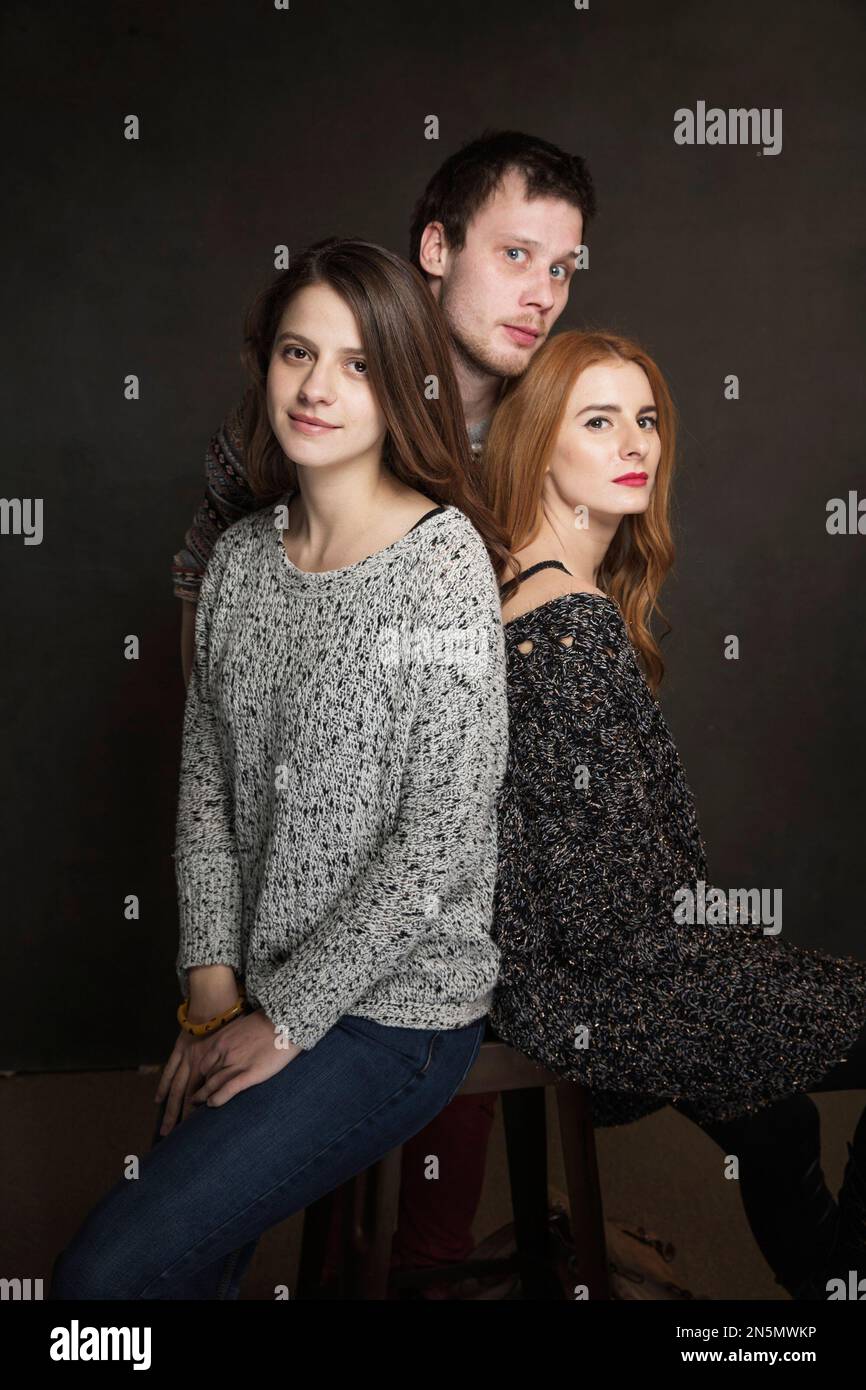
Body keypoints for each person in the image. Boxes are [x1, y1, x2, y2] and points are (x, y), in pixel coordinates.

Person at [170, 128, 596, 1295]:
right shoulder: (316, 386)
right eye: (515, 255)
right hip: (306, 840)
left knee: (459, 923)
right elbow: (219, 627)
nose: (540, 293)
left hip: (467, 867)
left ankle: (428, 1270)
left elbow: (580, 660)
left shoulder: (541, 430)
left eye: (562, 269)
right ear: (434, 251)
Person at [47, 238, 511, 1300]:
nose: (318, 388)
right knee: (173, 1266)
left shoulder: (440, 570)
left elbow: (440, 835)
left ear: (401, 385)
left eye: (356, 364)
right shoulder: (243, 560)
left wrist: (286, 1016)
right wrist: (210, 987)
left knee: (101, 1279)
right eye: (299, 352)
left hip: (395, 1010)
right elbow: (206, 782)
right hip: (256, 979)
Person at [483, 326, 866, 1301]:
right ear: (535, 445)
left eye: (645, 419)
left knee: (778, 1125)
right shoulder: (565, 626)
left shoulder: (529, 592)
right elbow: (607, 912)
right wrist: (737, 951)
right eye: (598, 420)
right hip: (600, 993)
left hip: (584, 971)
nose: (635, 444)